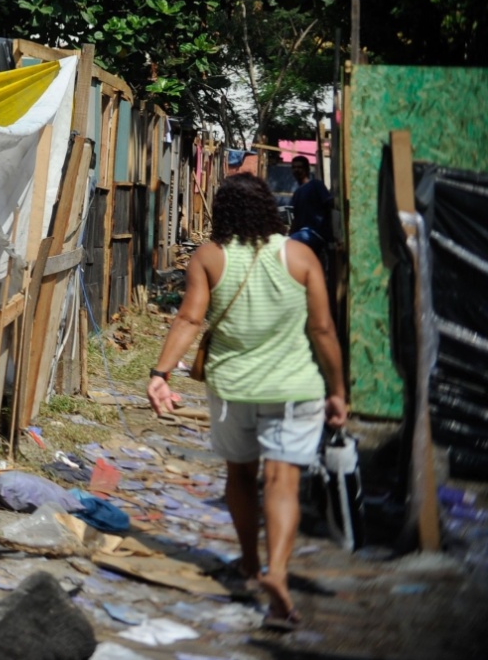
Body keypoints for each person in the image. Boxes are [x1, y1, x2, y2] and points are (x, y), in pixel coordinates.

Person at [146, 173, 348, 629]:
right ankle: (277, 573)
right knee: (282, 483)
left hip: (232, 387)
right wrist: (337, 390)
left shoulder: (209, 257)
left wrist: (160, 373)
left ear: (222, 212)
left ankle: (248, 561)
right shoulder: (300, 256)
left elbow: (189, 318)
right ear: (270, 210)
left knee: (240, 474)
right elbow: (322, 330)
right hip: (295, 388)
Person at [287, 156, 335, 287]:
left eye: (300, 167)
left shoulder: (316, 185)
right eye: (294, 167)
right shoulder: (297, 193)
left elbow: (330, 204)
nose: (297, 170)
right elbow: (296, 220)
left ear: (307, 169)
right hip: (302, 234)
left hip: (315, 233)